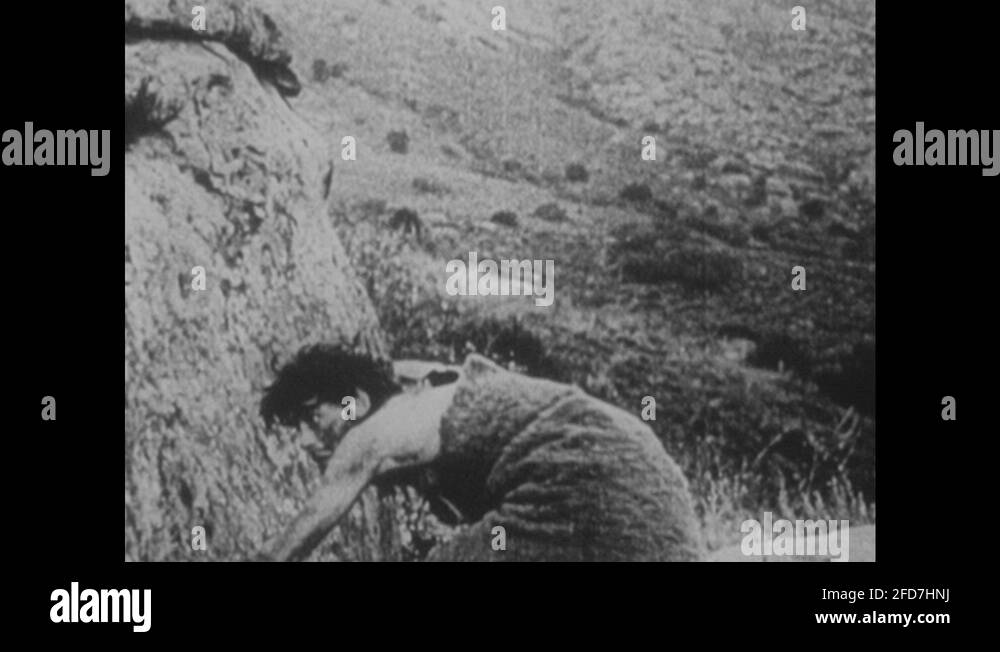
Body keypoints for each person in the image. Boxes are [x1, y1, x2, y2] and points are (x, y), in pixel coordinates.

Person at [258, 344, 702, 561]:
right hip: (651, 489)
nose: (306, 439)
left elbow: (315, 517)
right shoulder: (434, 394)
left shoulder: (375, 430)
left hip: (581, 480)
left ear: (355, 399)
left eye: (311, 417)